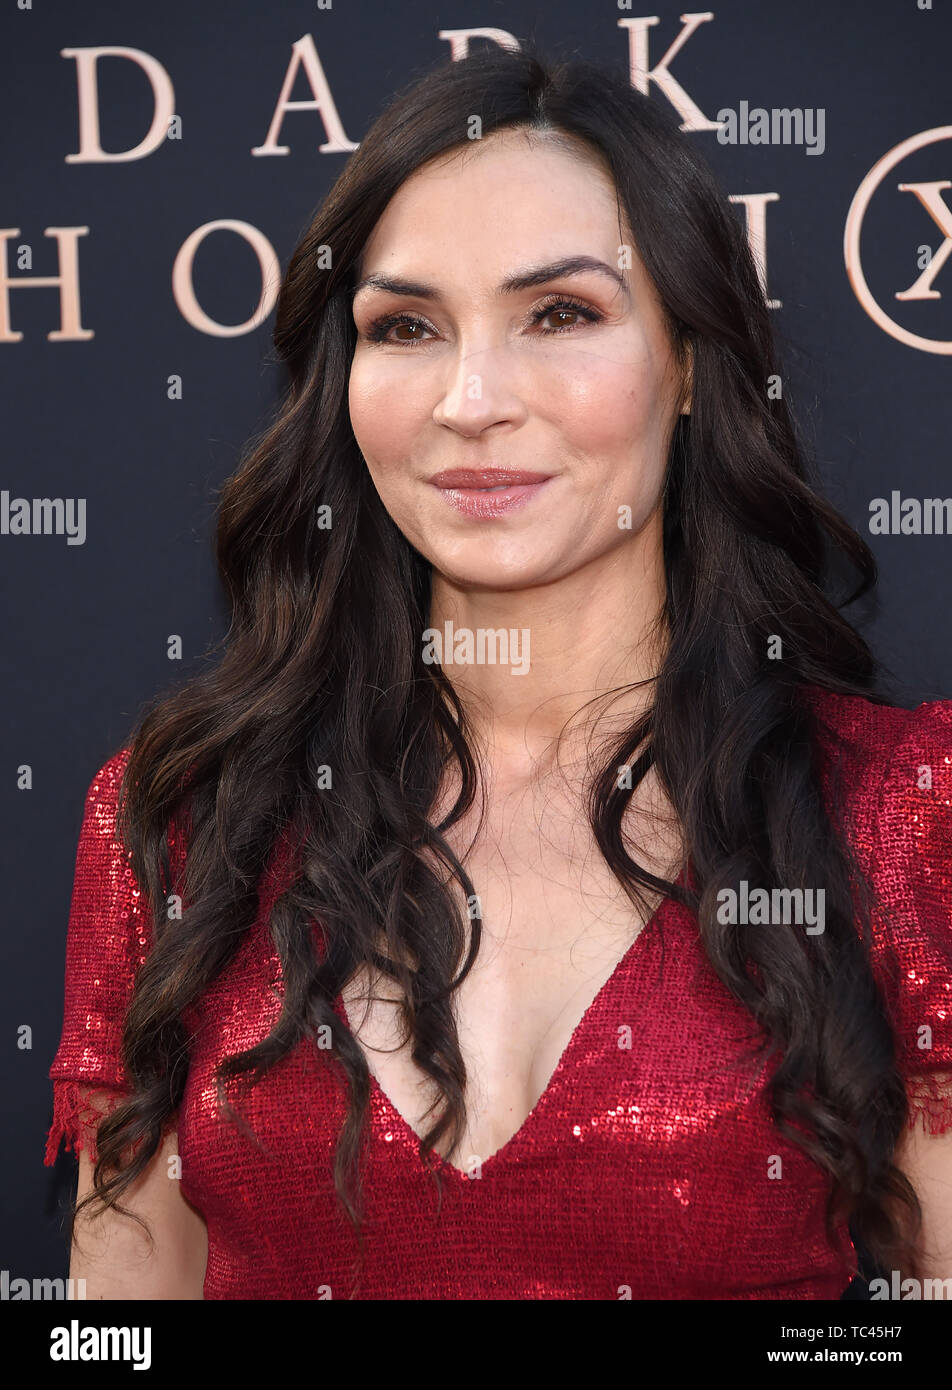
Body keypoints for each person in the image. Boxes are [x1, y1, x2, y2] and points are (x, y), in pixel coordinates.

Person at [44, 45, 952, 1300]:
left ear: (689, 363)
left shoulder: (900, 813)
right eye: (405, 326)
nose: (472, 399)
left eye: (561, 315)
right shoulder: (182, 817)